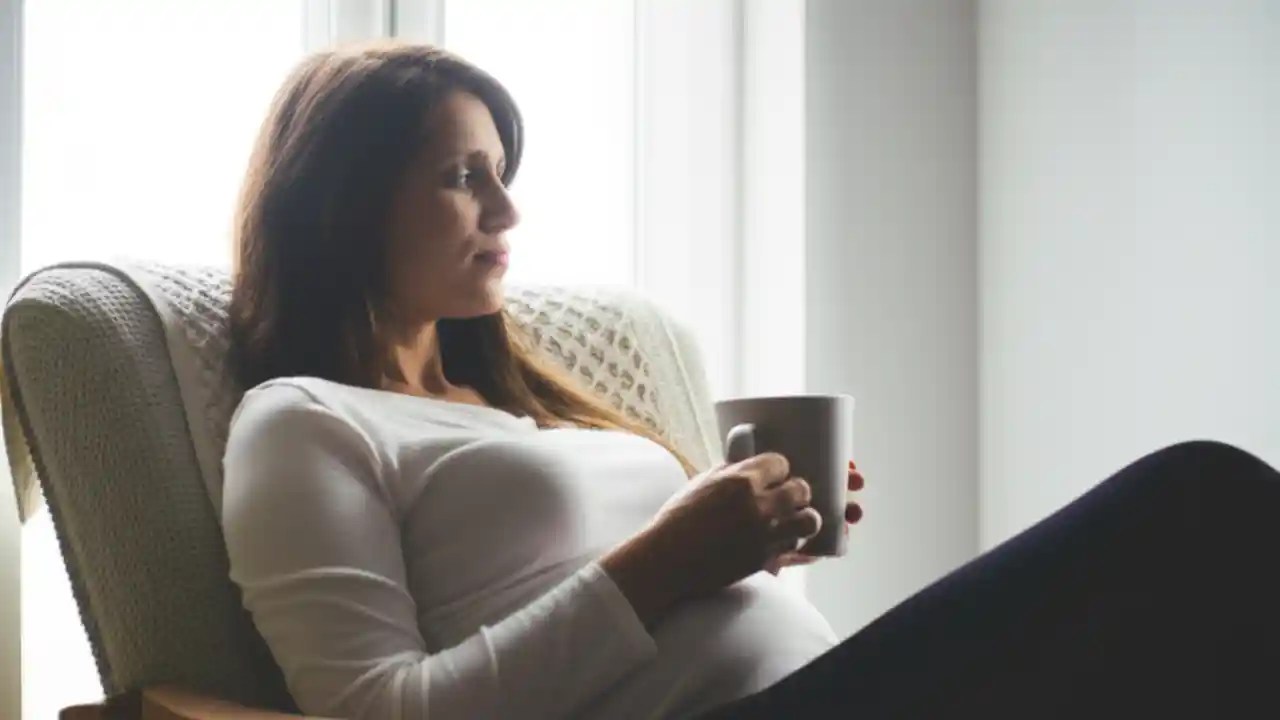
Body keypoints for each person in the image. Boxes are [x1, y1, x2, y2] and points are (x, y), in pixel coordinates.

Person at [223, 42, 1280, 720]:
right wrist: (667, 560)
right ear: (342, 201)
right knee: (1195, 503)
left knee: (1182, 636)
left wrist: (745, 546)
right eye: (464, 177)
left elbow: (632, 616)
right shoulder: (302, 423)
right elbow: (375, 710)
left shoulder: (518, 410)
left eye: (504, 174)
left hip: (824, 685)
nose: (506, 212)